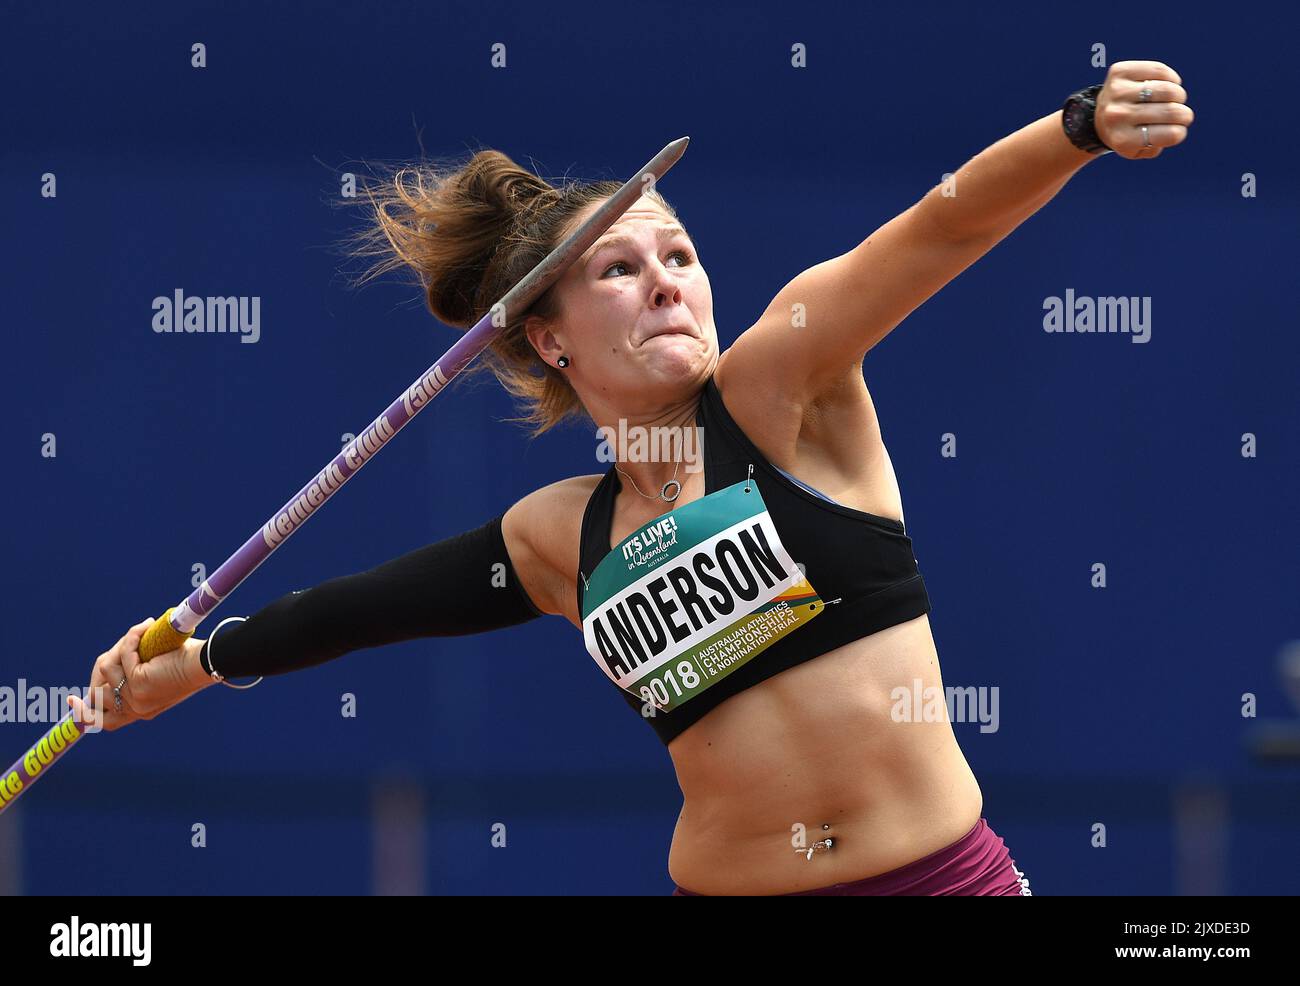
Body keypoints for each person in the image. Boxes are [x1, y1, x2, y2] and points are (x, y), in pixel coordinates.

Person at [75, 63, 1193, 894]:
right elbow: (355, 609)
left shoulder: (781, 385)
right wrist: (198, 660)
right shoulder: (560, 534)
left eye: (680, 257)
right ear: (548, 339)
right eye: (620, 268)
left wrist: (1078, 127)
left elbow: (940, 228)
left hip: (938, 881)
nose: (668, 282)